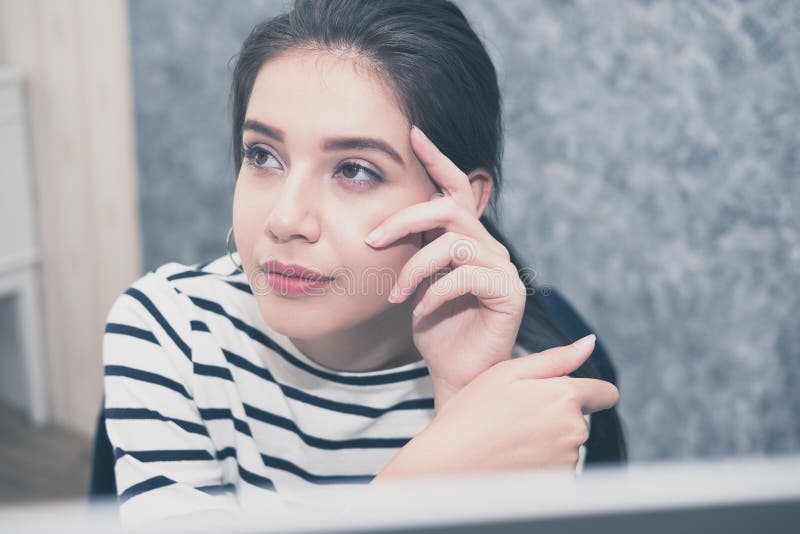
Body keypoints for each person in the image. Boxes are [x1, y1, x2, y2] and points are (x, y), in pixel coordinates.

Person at [102, 0, 626, 528]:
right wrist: (422, 484)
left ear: (458, 200)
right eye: (263, 155)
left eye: (355, 170)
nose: (286, 220)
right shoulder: (172, 331)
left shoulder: (531, 387)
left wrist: (461, 398)